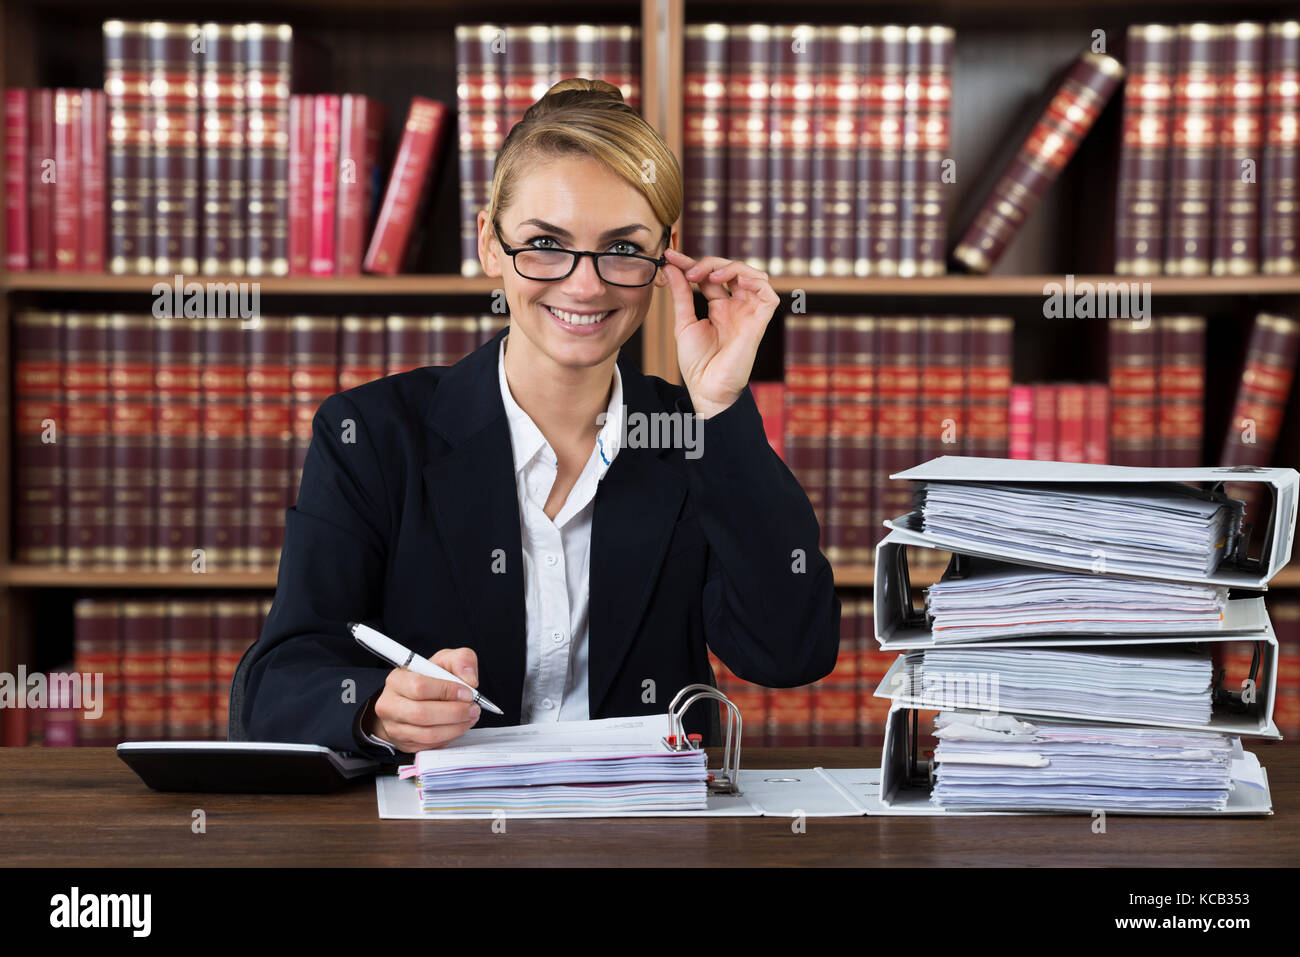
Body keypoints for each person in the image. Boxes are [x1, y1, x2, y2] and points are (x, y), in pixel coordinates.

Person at [242, 77, 839, 759]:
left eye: (621, 248)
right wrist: (375, 710)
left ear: (665, 258)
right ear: (490, 244)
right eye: (545, 243)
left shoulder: (693, 436)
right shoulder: (373, 435)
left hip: (644, 842)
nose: (584, 284)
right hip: (439, 847)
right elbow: (270, 687)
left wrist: (722, 407)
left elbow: (791, 650)